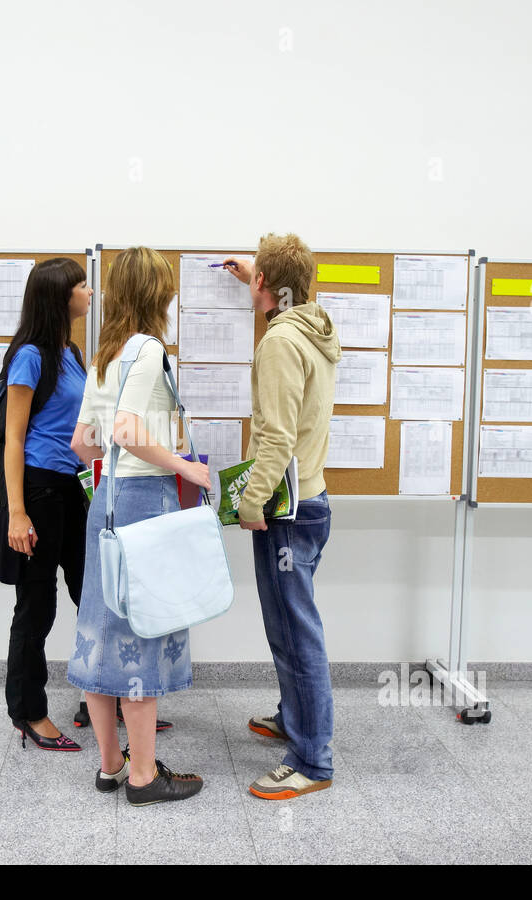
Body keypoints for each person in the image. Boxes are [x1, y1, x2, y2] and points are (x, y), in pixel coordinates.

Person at [68, 246, 213, 805]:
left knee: (101, 634)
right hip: (144, 503)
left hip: (105, 499)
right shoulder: (148, 350)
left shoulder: (104, 354)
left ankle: (110, 766)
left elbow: (85, 443)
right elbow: (128, 431)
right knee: (141, 635)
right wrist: (182, 466)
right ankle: (144, 776)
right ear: (157, 295)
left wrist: (108, 483)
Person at [223, 234, 341, 799]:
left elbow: (276, 436)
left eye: (255, 281)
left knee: (296, 633)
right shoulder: (314, 327)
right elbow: (289, 300)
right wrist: (262, 274)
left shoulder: (279, 344)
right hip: (312, 502)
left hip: (284, 512)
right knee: (289, 626)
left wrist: (249, 503)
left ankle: (313, 760)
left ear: (266, 287)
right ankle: (295, 719)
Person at [0, 257, 92, 752]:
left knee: (93, 597)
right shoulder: (30, 356)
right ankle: (28, 712)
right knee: (37, 605)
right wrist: (18, 513)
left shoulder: (70, 352)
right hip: (38, 490)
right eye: (81, 286)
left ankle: (106, 700)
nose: (89, 292)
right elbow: (13, 439)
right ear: (59, 296)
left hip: (71, 487)